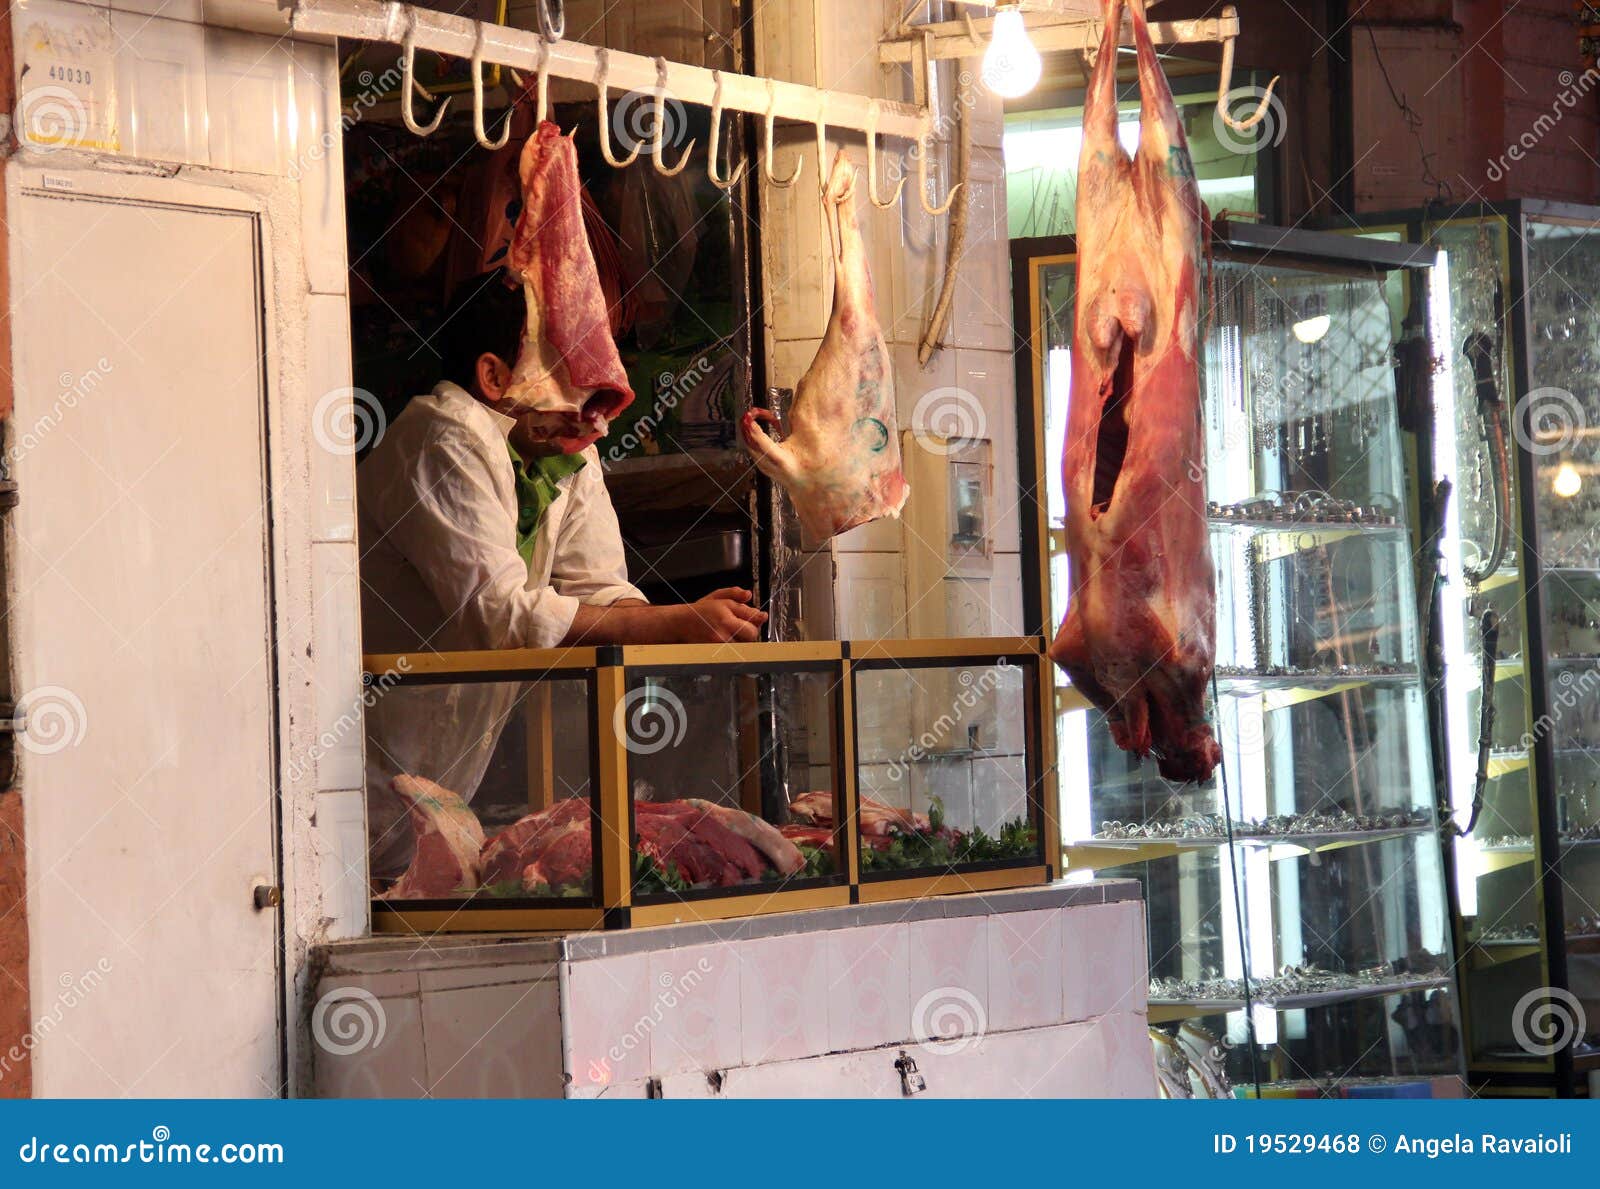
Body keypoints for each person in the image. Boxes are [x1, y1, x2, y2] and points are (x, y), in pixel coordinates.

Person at [358, 272, 766, 877]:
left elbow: (599, 589)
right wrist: (672, 622)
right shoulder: (442, 435)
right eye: (569, 370)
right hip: (357, 769)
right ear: (494, 377)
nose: (597, 405)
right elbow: (501, 614)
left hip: (443, 781)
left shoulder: (566, 454)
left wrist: (682, 625)